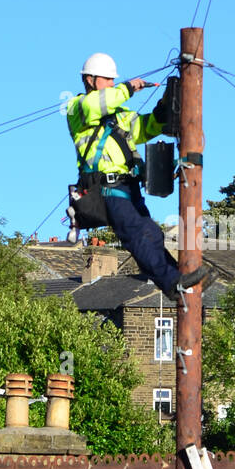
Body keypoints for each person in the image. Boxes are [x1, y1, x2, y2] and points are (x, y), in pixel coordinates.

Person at [66, 53, 210, 300]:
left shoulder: (118, 115)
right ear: (90, 80)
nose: (112, 83)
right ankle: (172, 283)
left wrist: (161, 112)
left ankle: (178, 277)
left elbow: (142, 129)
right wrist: (129, 87)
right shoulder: (77, 108)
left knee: (151, 233)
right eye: (107, 79)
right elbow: (97, 104)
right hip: (106, 189)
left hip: (128, 187)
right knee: (137, 234)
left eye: (113, 80)